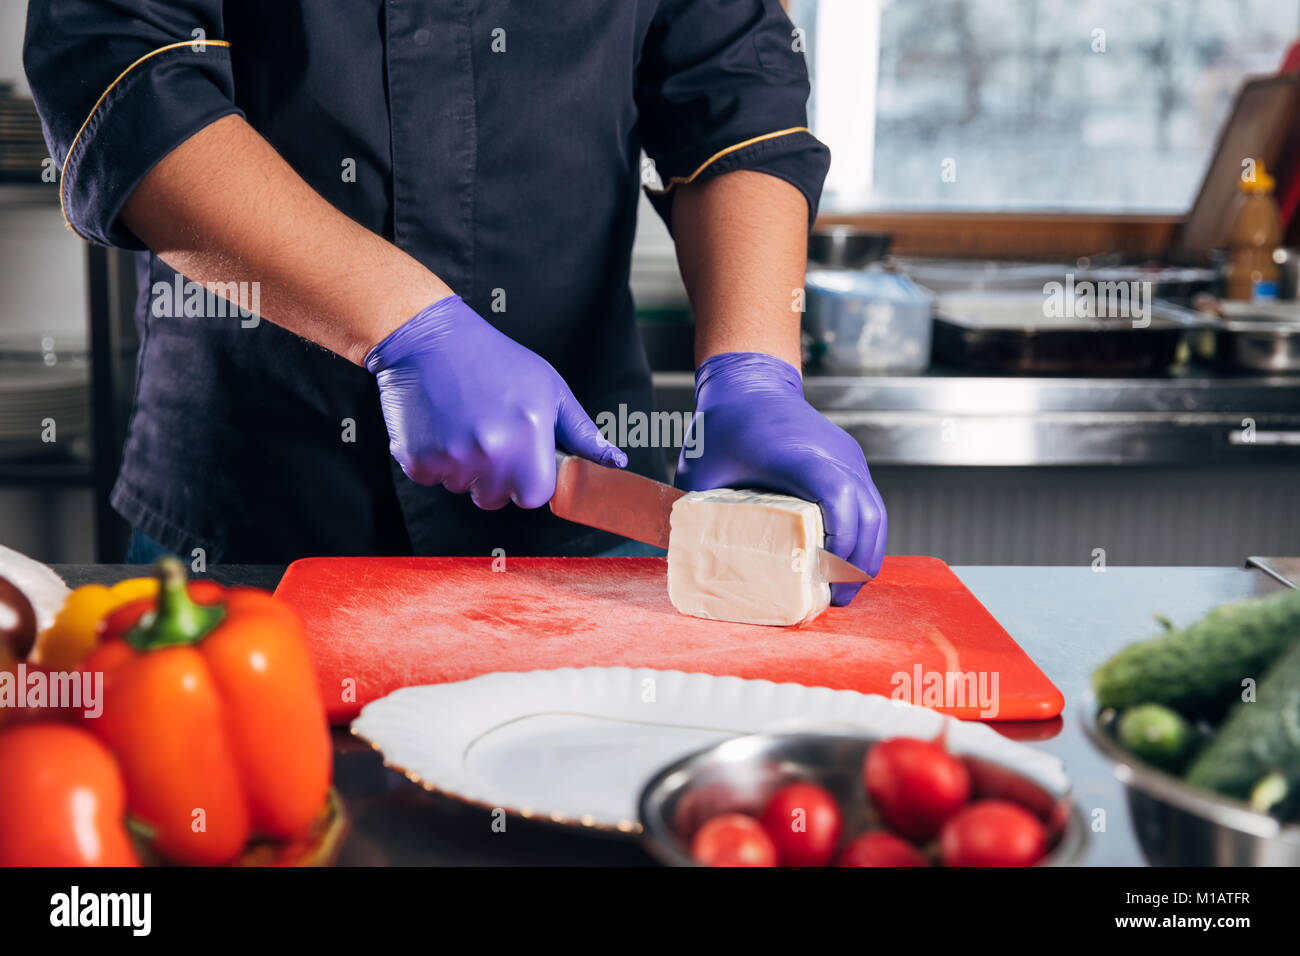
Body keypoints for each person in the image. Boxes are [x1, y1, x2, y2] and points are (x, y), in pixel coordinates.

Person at [24, 0, 886, 605]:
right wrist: (404, 324)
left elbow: (737, 94)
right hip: (247, 527)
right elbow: (117, 70)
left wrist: (755, 368)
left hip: (578, 537)